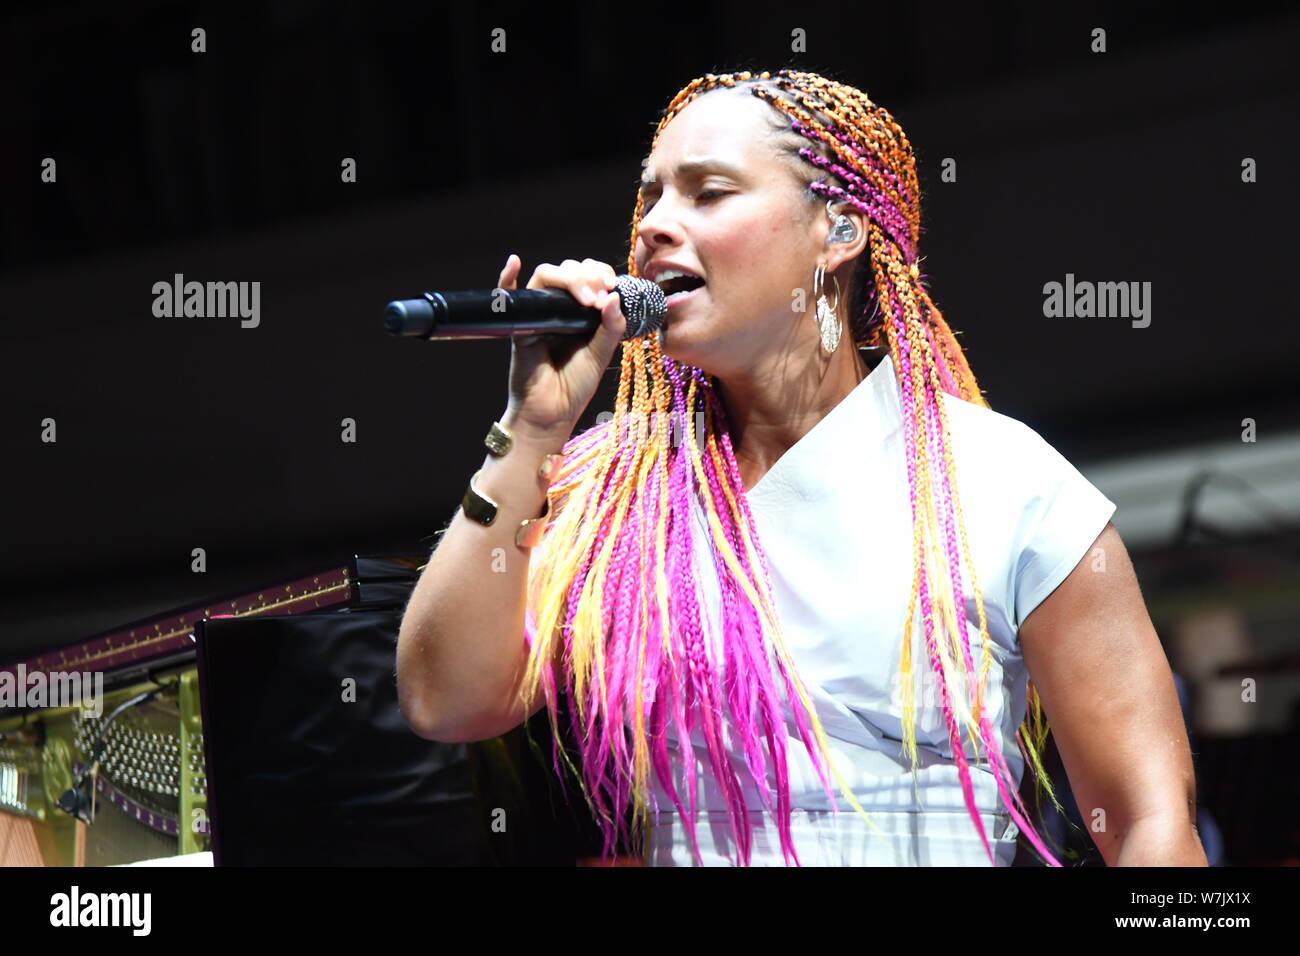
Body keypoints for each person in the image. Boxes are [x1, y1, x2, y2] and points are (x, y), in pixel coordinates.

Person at [396, 68, 1208, 868]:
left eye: (708, 193)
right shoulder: (614, 485)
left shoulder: (1002, 481)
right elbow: (446, 700)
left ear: (841, 231)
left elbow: (1145, 821)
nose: (653, 226)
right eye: (652, 196)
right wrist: (532, 428)